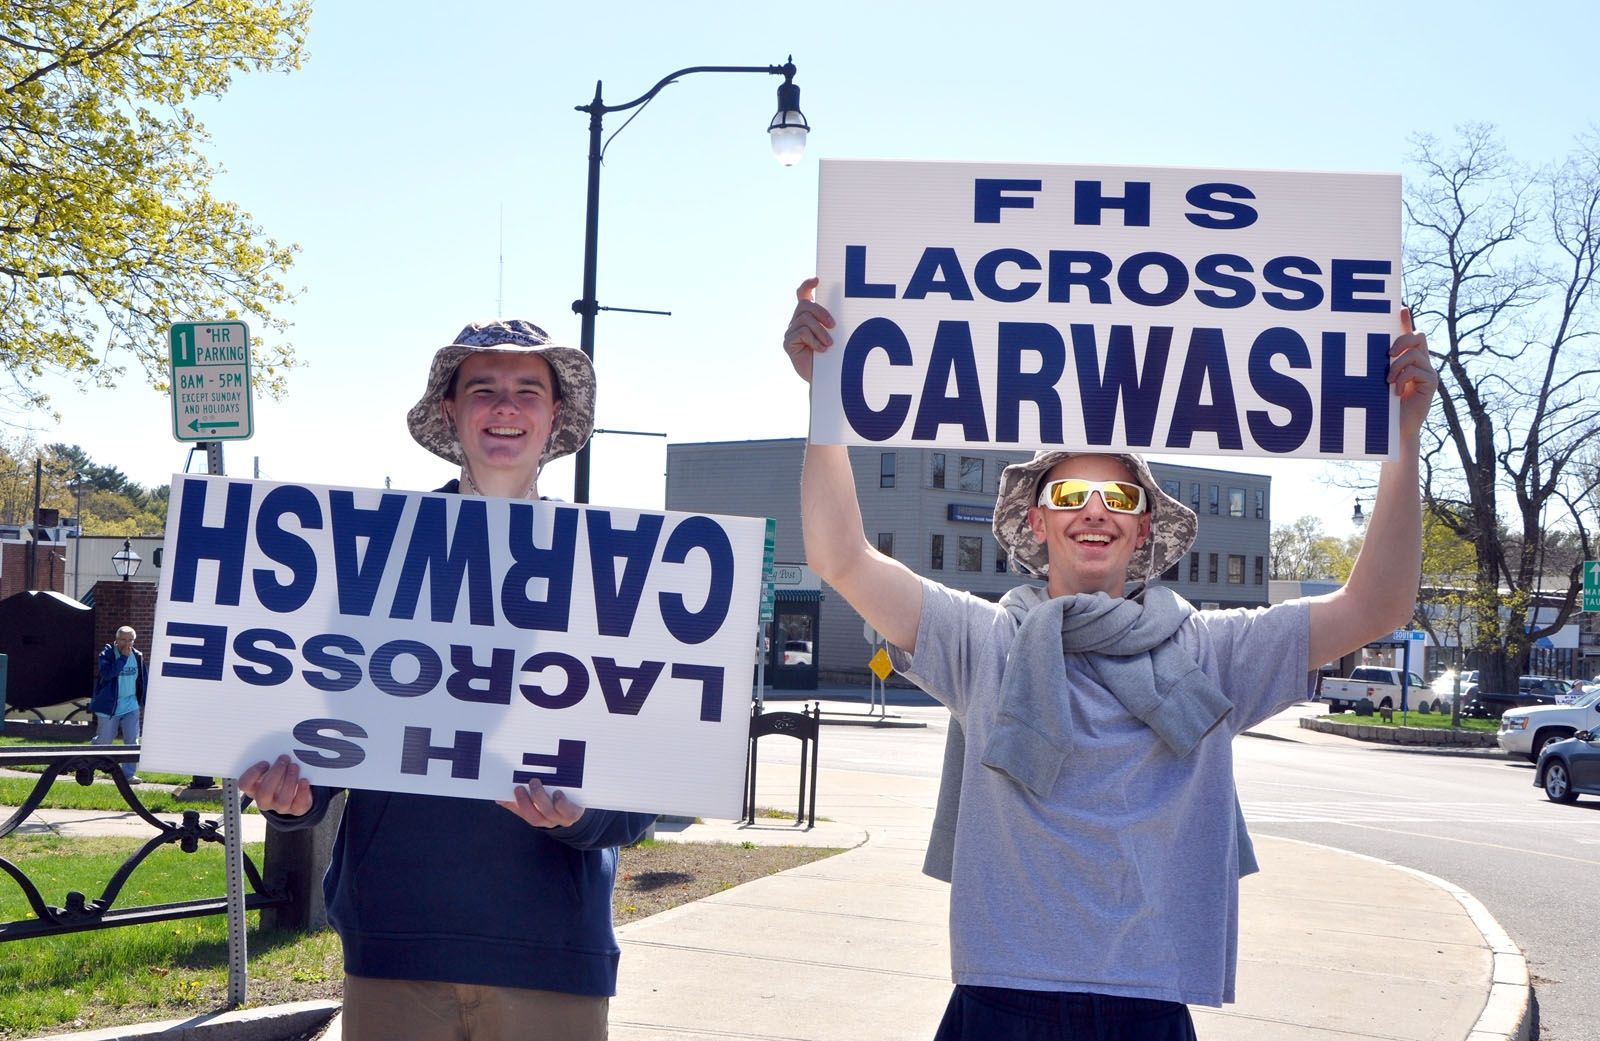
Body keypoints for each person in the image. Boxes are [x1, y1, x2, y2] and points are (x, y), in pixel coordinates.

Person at [782, 278, 1437, 1040]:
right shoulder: (982, 641)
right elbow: (842, 557)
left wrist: (1404, 436)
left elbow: (1375, 607)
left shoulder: (1211, 651)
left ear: (1142, 530)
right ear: (1039, 517)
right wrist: (823, 403)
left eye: (1119, 500)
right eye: (1071, 492)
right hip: (999, 1002)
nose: (1096, 509)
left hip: (1149, 1006)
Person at [240, 320, 657, 1041]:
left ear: (555, 417)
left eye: (528, 390)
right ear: (449, 413)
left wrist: (580, 815)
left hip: (552, 951)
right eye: (484, 389)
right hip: (396, 947)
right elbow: (325, 744)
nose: (506, 406)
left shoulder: (604, 574)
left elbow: (638, 798)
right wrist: (288, 802)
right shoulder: (377, 557)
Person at [91, 625, 147, 782]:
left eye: (130, 640)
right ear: (116, 639)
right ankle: (91, 758)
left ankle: (128, 774)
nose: (127, 643)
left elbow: (142, 679)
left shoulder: (137, 656)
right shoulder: (107, 654)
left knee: (132, 740)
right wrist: (122, 658)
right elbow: (108, 674)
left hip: (131, 705)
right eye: (123, 639)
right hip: (109, 706)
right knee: (105, 741)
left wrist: (143, 699)